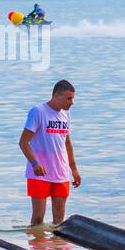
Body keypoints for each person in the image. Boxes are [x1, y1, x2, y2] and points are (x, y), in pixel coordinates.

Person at [19, 79, 82, 226]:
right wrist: (35, 163)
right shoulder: (38, 111)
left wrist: (74, 169)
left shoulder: (66, 114)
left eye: (72, 98)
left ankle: (56, 247)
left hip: (61, 172)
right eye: (68, 98)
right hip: (39, 172)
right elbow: (23, 142)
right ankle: (36, 247)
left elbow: (66, 142)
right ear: (56, 96)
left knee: (59, 220)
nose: (71, 102)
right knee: (38, 217)